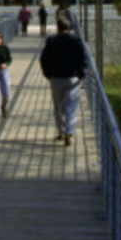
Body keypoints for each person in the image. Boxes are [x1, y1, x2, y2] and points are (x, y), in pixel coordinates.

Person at [38, 18, 87, 147]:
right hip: (72, 77)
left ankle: (61, 132)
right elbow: (82, 58)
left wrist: (47, 73)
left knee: (58, 106)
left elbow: (44, 59)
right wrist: (81, 73)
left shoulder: (52, 41)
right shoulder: (76, 41)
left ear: (57, 28)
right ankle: (69, 132)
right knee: (71, 106)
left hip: (56, 77)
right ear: (69, 28)